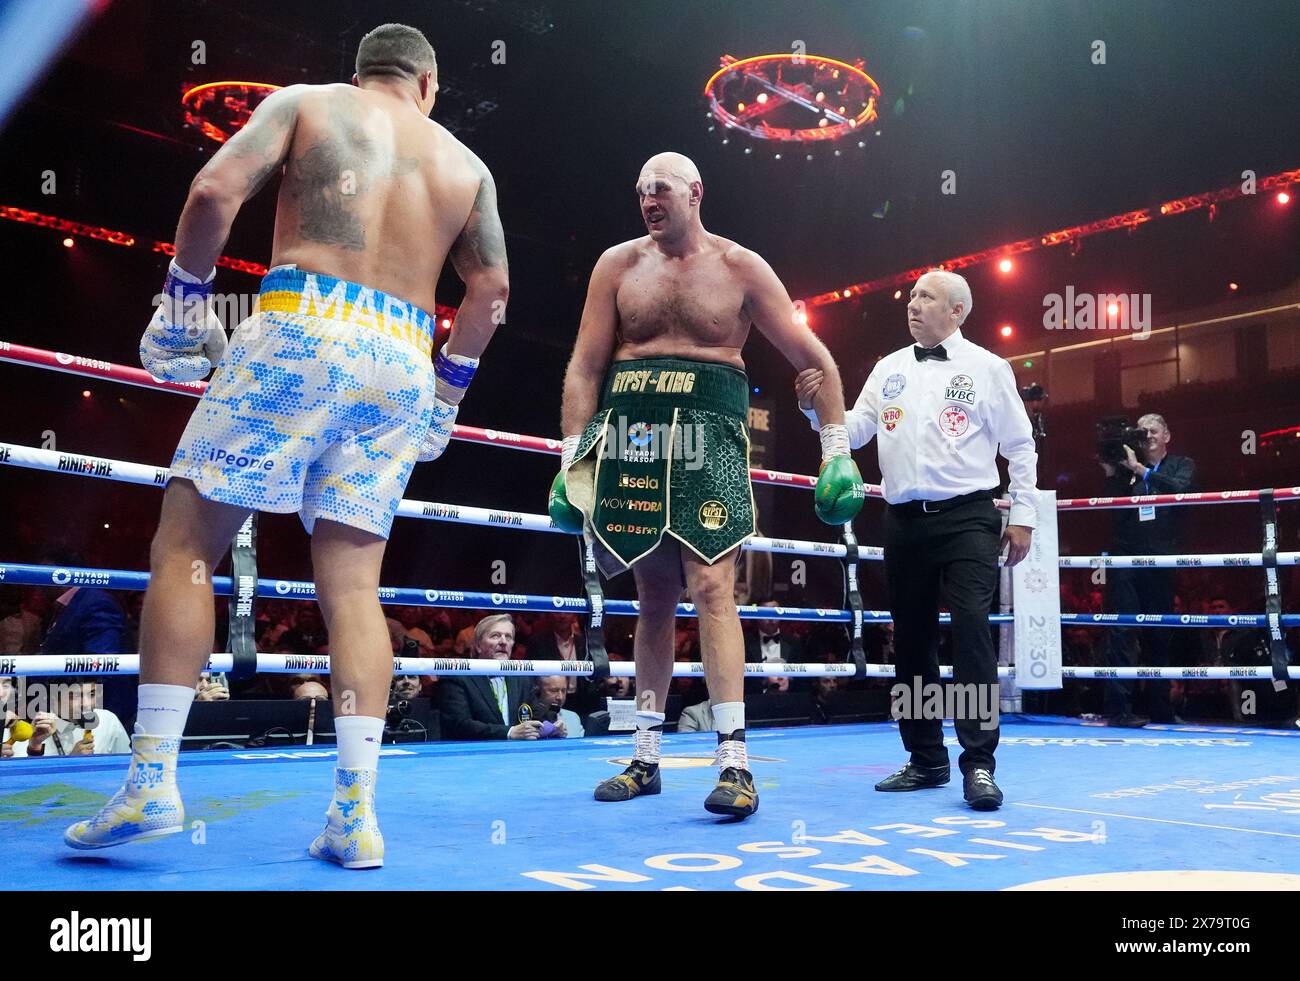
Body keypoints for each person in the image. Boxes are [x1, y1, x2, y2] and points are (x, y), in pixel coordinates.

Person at [64, 24, 509, 870]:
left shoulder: (308, 103)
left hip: (304, 326)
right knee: (353, 583)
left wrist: (186, 306)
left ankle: (153, 775)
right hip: (401, 355)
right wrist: (447, 392)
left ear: (364, 70)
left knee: (187, 542)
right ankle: (355, 813)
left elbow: (210, 194)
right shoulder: (466, 164)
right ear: (428, 83)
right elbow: (491, 290)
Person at [549, 151, 864, 818]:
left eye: (659, 188)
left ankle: (734, 762)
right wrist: (571, 457)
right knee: (651, 592)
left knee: (715, 585)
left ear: (695, 191)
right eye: (639, 191)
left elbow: (814, 358)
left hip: (708, 431)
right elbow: (584, 366)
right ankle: (644, 755)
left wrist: (836, 451)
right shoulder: (617, 265)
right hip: (632, 429)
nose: (647, 200)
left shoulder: (741, 267)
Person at [795, 269, 1038, 810]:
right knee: (911, 641)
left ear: (957, 311)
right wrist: (816, 406)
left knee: (972, 630)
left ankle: (979, 764)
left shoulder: (988, 368)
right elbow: (854, 430)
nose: (912, 304)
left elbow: (1021, 447)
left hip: (969, 517)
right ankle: (927, 759)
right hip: (903, 520)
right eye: (910, 296)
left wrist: (1022, 515)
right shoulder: (889, 368)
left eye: (926, 297)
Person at [1099, 412, 1195, 727]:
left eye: (1153, 431)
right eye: (1142, 432)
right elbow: (1108, 509)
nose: (1148, 436)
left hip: (1162, 557)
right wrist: (1115, 469)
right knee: (1123, 629)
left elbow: (1179, 490)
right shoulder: (1127, 467)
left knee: (1159, 632)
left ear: (1167, 435)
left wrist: (1143, 471)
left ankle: (1161, 708)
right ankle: (1118, 709)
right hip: (1126, 556)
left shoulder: (1182, 464)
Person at [438, 615, 539, 741]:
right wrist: (509, 732)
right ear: (478, 646)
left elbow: (535, 715)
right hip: (474, 755)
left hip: (517, 755)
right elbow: (458, 725)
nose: (503, 642)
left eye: (508, 637)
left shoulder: (521, 679)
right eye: (495, 636)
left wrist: (551, 727)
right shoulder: (458, 677)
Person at [11, 679, 131, 757]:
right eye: (75, 696)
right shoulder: (35, 729)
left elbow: (127, 768)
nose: (87, 704)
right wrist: (70, 762)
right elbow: (28, 785)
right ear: (53, 697)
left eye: (92, 695)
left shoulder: (108, 720)